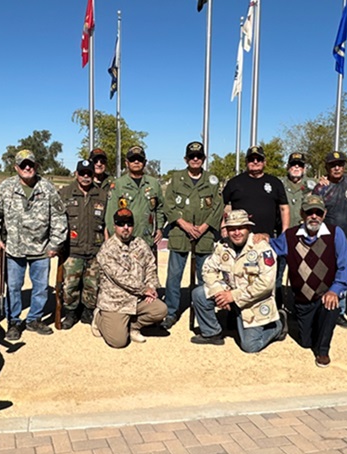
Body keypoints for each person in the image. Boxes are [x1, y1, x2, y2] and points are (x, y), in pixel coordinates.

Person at [0, 149, 67, 341]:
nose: (27, 167)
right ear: (16, 167)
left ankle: (34, 319)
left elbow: (59, 217)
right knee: (13, 287)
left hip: (41, 249)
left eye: (30, 164)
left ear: (36, 166)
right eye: (23, 165)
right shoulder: (6, 187)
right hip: (13, 249)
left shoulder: (47, 188)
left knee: (41, 287)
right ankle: (14, 322)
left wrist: (55, 243)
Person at [270, 195, 347, 368]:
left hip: (326, 295)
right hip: (302, 301)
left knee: (331, 305)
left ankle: (323, 351)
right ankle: (313, 328)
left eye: (318, 212)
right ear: (302, 214)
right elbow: (271, 247)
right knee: (306, 342)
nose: (314, 216)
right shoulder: (290, 236)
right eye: (310, 212)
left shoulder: (335, 234)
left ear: (324, 214)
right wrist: (259, 238)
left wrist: (335, 289)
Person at [191, 210, 286, 352]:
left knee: (250, 346)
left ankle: (278, 326)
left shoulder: (262, 248)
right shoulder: (223, 246)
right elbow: (208, 269)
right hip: (229, 292)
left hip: (254, 302)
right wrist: (219, 292)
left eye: (240, 228)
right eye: (232, 229)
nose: (236, 233)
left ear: (248, 228)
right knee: (199, 294)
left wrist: (233, 296)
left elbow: (266, 284)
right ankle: (212, 332)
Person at [161, 141, 223, 329]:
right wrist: (184, 224)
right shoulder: (176, 178)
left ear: (204, 158)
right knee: (174, 276)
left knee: (205, 276)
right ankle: (171, 312)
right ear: (185, 159)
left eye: (199, 156)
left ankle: (204, 313)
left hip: (204, 235)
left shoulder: (212, 180)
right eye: (191, 156)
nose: (195, 159)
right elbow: (168, 205)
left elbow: (218, 208)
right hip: (180, 233)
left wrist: (204, 227)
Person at [94, 208, 167, 347]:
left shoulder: (140, 244)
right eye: (121, 224)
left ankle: (133, 327)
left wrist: (151, 286)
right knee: (118, 342)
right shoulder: (107, 249)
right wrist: (144, 289)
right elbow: (121, 277)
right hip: (116, 302)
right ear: (114, 226)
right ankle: (98, 318)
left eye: (129, 224)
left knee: (160, 310)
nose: (126, 228)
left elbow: (150, 266)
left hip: (137, 299)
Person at [312, 151, 347, 328]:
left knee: (343, 274)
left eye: (340, 164)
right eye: (333, 165)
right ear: (327, 168)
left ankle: (340, 312)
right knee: (322, 276)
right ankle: (320, 309)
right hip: (325, 241)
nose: (337, 168)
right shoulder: (321, 188)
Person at [58, 159, 107, 329]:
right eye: (82, 173)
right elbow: (56, 221)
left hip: (95, 249)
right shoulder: (64, 193)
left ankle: (87, 311)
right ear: (76, 174)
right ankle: (71, 313)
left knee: (92, 284)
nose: (86, 177)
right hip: (72, 249)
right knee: (70, 285)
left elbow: (106, 224)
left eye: (89, 174)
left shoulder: (102, 195)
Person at [104, 146, 165, 248]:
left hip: (147, 240)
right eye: (132, 159)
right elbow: (111, 215)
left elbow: (160, 208)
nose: (136, 162)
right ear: (126, 163)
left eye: (139, 159)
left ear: (145, 162)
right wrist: (115, 239)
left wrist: (159, 228)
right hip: (125, 241)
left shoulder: (153, 183)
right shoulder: (118, 185)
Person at [222, 145, 289, 237]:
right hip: (240, 236)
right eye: (251, 159)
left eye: (259, 159)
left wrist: (285, 231)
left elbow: (284, 208)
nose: (255, 162)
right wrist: (223, 227)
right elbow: (220, 206)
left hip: (268, 237)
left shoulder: (275, 182)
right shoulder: (234, 183)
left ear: (264, 162)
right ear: (246, 162)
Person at [278, 151, 316, 309]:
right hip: (283, 236)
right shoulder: (279, 184)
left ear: (304, 168)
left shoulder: (313, 185)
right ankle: (278, 307)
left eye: (299, 165)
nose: (296, 167)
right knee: (278, 274)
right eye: (293, 164)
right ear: (288, 167)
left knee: (303, 275)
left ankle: (299, 308)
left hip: (304, 237)